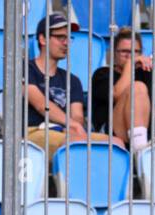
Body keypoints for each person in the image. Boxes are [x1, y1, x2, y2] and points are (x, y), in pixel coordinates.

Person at [25, 13, 114, 160]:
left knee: (115, 144)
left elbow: (77, 115)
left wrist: (74, 126)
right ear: (43, 39)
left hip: (66, 133)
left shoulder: (72, 80)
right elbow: (41, 104)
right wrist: (72, 125)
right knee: (75, 144)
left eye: (68, 38)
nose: (66, 43)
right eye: (60, 37)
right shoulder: (26, 69)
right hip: (34, 131)